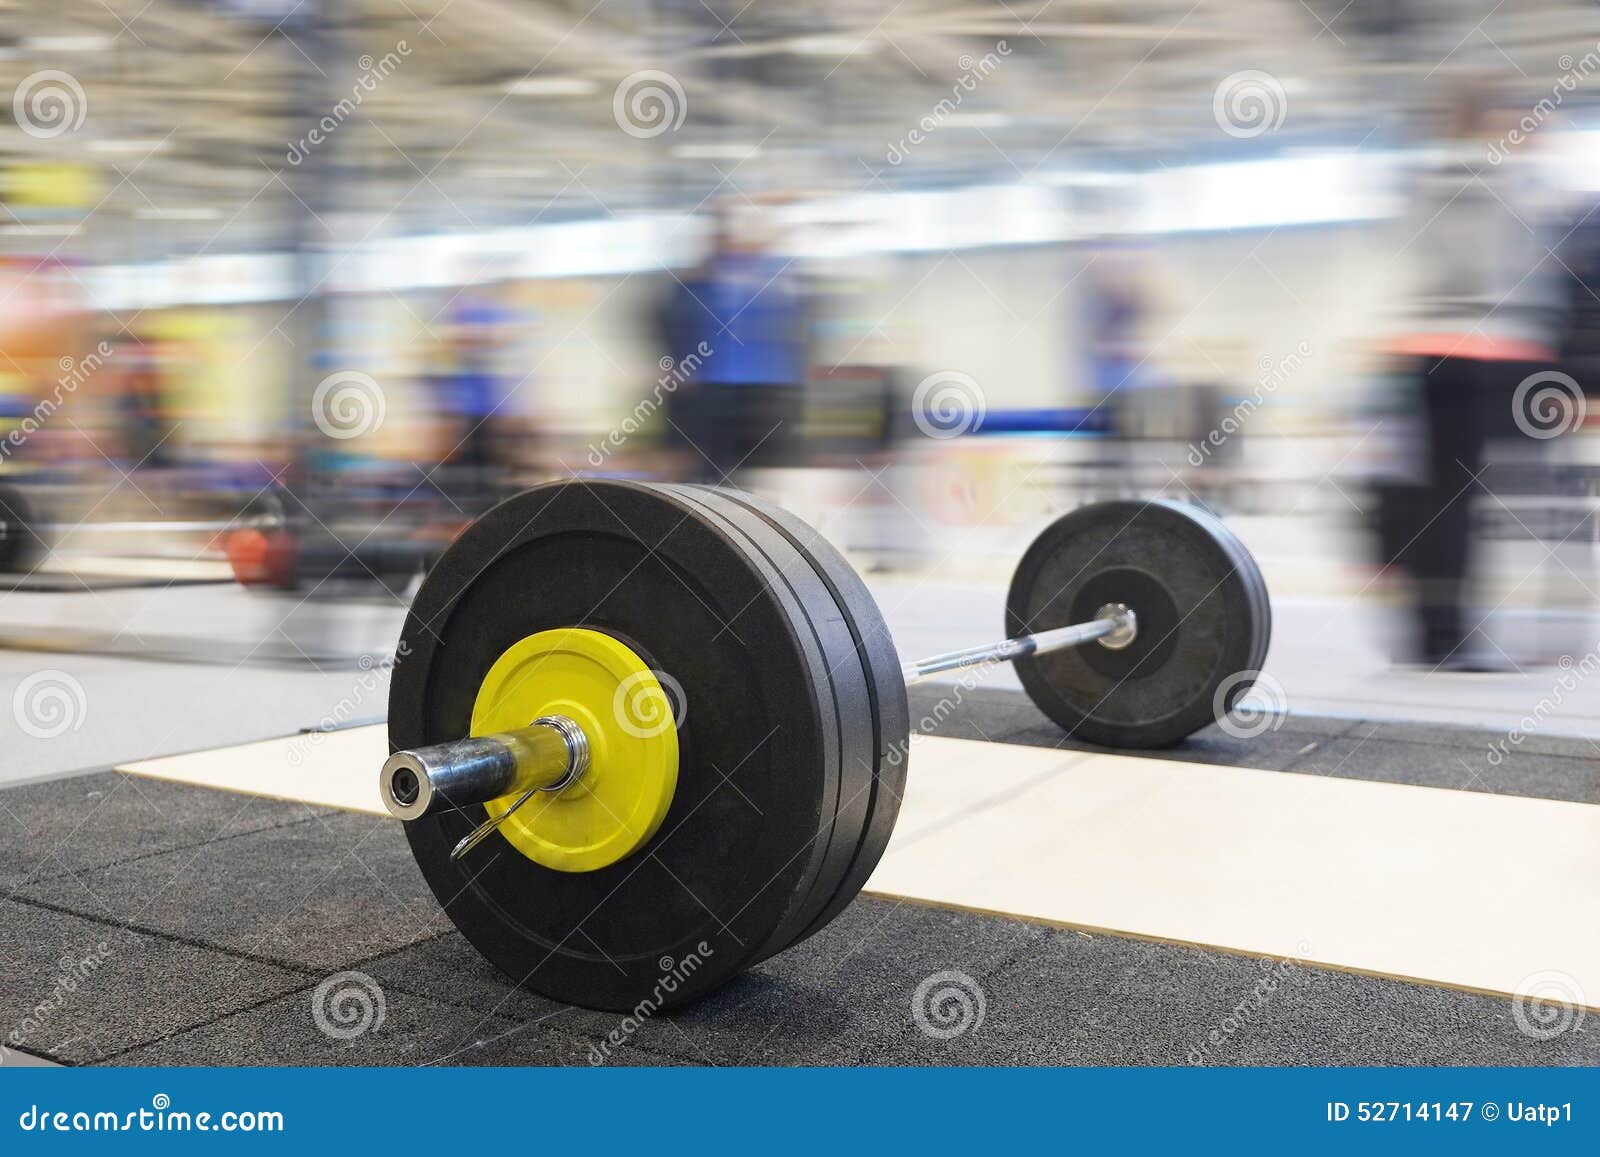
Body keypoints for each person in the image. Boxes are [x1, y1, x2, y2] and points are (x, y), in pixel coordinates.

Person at [1377, 84, 1568, 670]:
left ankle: (1434, 631)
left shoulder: (1418, 181)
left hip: (1425, 350)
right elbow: (1530, 267)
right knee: (1476, 499)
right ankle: (1456, 636)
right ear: (1492, 122)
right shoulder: (1515, 180)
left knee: (1441, 497)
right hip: (1493, 350)